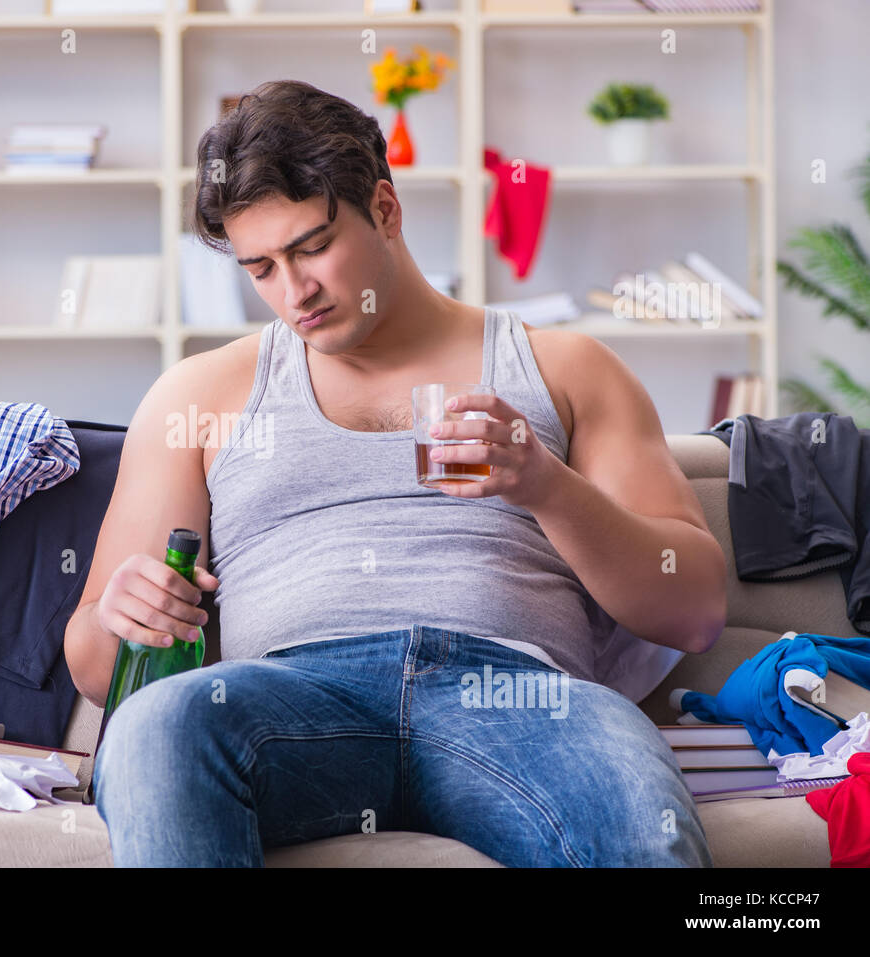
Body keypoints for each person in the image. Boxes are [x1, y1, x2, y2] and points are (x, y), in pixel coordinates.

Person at [63, 79, 727, 867]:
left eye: (312, 247)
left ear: (385, 208)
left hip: (517, 696)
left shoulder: (565, 367)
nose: (294, 292)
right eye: (262, 267)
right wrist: (119, 614)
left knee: (633, 806)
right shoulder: (200, 393)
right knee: (155, 729)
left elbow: (694, 610)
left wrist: (545, 485)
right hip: (286, 705)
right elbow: (98, 668)